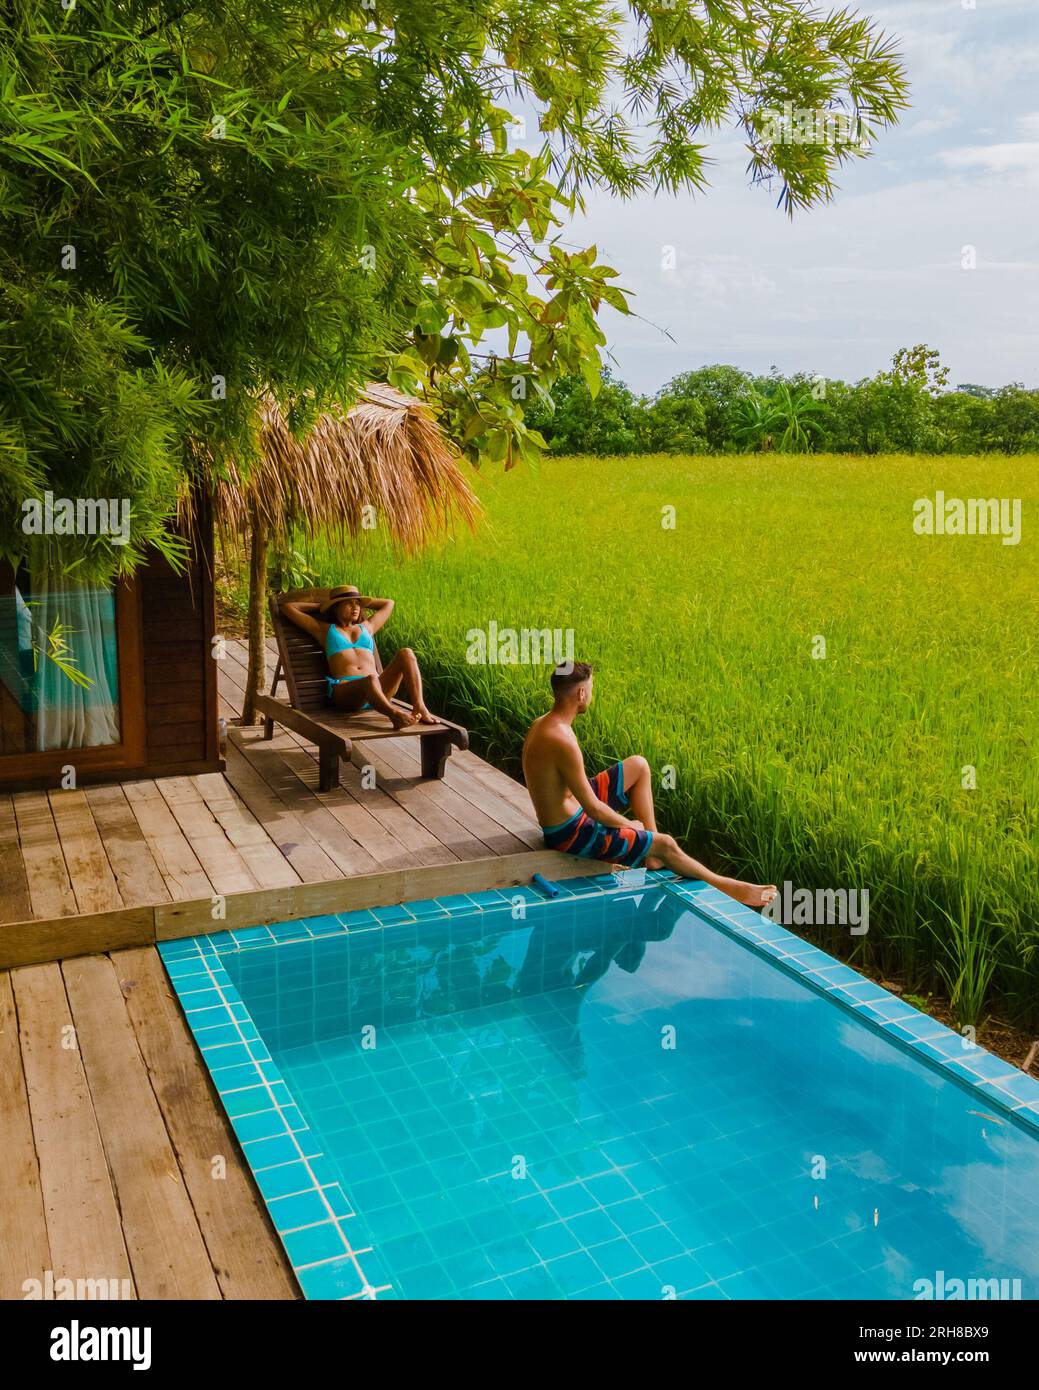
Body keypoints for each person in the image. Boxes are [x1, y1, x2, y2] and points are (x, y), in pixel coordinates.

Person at [522, 661, 778, 909]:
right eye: (591, 690)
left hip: (570, 807)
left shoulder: (545, 724)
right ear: (581, 693)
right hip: (569, 831)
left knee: (639, 766)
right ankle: (731, 888)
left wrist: (643, 834)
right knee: (666, 843)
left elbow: (577, 793)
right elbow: (594, 809)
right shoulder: (562, 739)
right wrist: (628, 825)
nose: (591, 695)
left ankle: (652, 854)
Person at [281, 585, 436, 731]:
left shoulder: (368, 627)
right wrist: (321, 606)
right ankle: (394, 715)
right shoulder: (324, 630)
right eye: (348, 603)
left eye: (357, 603)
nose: (355, 607)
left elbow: (389, 603)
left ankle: (419, 705)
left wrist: (363, 602)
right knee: (370, 680)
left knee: (406, 653)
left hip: (378, 691)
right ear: (335, 607)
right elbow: (287, 608)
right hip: (347, 693)